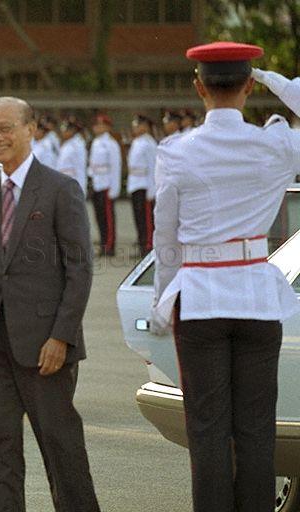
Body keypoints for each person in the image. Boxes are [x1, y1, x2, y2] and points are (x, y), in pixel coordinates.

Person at [152, 42, 300, 512]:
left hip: (200, 299)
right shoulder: (276, 145)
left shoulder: (176, 151)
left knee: (208, 430)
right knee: (256, 430)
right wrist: (278, 83)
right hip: (256, 297)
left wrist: (161, 301)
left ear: (199, 88)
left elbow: (165, 237)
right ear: (249, 86)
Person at [0, 96, 99, 512]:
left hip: (46, 345)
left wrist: (61, 337)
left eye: (5, 128)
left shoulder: (60, 188)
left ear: (30, 130)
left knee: (61, 445)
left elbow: (80, 270)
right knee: (1, 446)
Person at [88, 114, 122, 257]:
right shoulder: (95, 142)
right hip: (96, 183)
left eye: (100, 125)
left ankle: (109, 245)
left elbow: (115, 166)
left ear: (108, 127)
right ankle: (103, 244)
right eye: (96, 125)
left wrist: (115, 188)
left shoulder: (111, 144)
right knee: (99, 216)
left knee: (108, 218)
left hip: (107, 183)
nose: (97, 128)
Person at [126, 114, 158, 256]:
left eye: (138, 125)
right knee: (138, 218)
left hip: (145, 185)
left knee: (147, 220)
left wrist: (152, 189)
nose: (135, 128)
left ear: (145, 126)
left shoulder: (149, 143)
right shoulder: (136, 142)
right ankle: (141, 245)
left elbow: (153, 167)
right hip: (135, 184)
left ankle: (148, 247)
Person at [55, 117, 88, 196]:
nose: (62, 133)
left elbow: (80, 169)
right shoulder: (66, 144)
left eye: (65, 130)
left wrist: (81, 189)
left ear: (72, 131)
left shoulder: (78, 145)